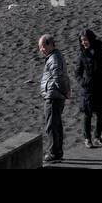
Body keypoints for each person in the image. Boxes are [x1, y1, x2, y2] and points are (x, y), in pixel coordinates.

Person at [75, 29, 102, 148]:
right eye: (82, 41)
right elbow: (77, 72)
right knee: (87, 114)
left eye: (85, 40)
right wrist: (83, 83)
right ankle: (87, 138)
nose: (83, 43)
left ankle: (98, 137)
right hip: (88, 90)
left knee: (100, 113)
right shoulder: (82, 54)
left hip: (101, 87)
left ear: (91, 39)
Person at [39, 34, 69, 163]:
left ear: (50, 44)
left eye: (42, 47)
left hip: (53, 96)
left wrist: (64, 92)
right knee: (56, 125)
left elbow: (58, 77)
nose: (41, 50)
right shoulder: (54, 57)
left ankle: (53, 153)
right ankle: (57, 152)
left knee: (51, 126)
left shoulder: (54, 58)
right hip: (56, 95)